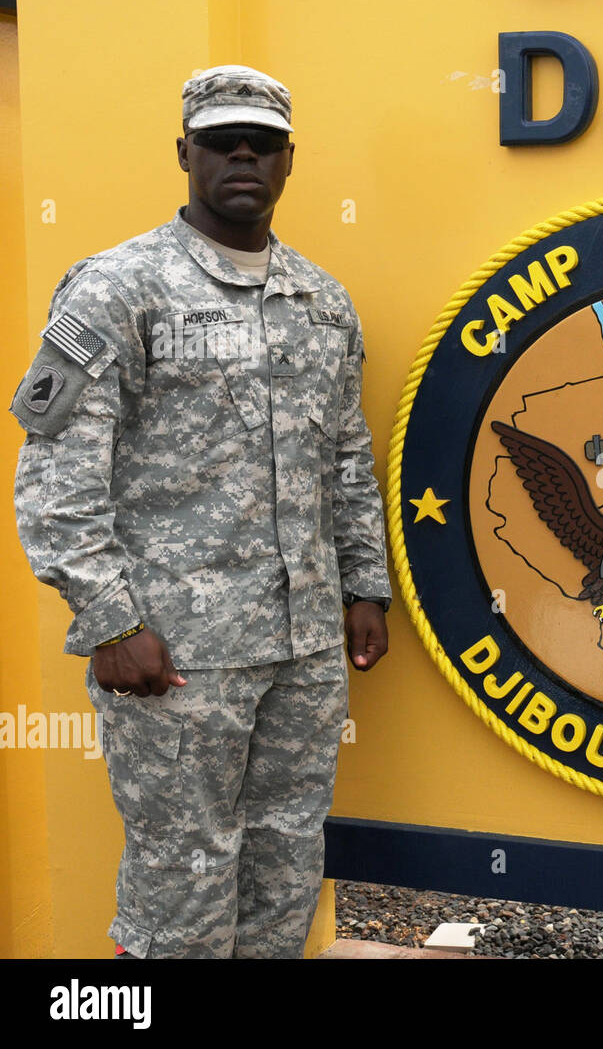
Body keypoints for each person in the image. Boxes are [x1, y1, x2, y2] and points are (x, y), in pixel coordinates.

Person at [9, 65, 391, 958]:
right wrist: (110, 620)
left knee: (286, 862)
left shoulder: (322, 302)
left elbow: (345, 456)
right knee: (182, 877)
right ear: (185, 152)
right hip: (173, 652)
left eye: (261, 142)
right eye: (223, 142)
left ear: (290, 159)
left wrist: (363, 583)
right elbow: (59, 476)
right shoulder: (116, 289)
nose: (243, 155)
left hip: (301, 650)